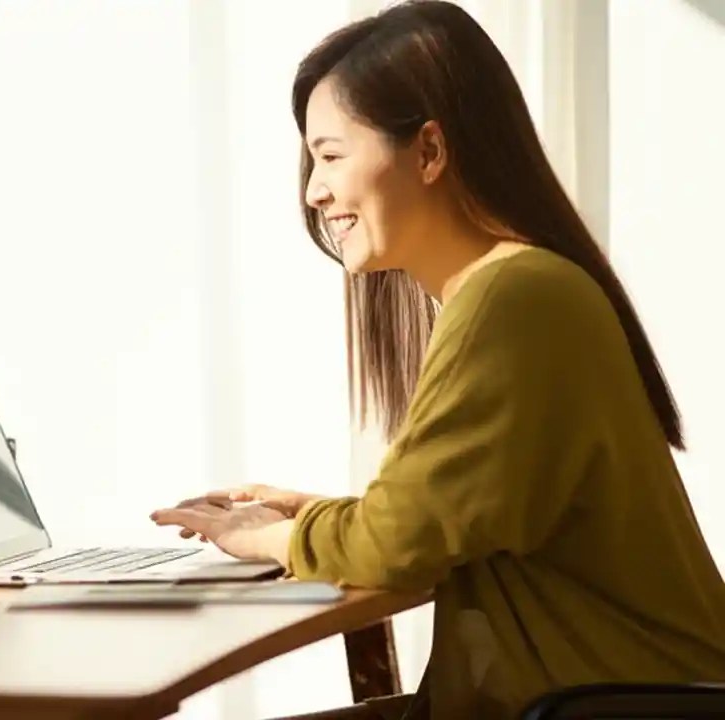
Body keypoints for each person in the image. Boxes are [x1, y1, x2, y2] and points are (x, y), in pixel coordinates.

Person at [149, 1, 725, 718]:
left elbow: (398, 544)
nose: (313, 191)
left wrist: (266, 537)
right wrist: (316, 518)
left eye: (330, 155)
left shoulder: (513, 296)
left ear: (428, 151)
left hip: (603, 704)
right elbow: (441, 519)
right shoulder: (521, 288)